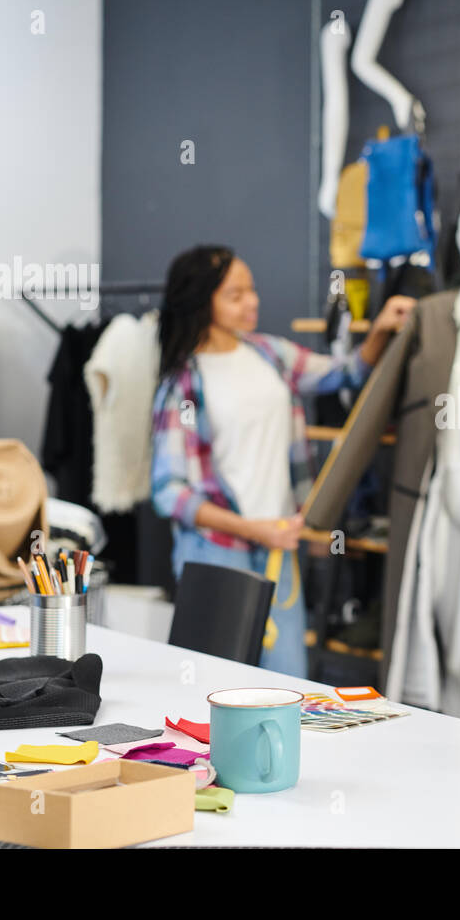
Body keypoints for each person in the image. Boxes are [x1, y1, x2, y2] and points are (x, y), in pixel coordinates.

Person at [151, 245, 413, 677]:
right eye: (235, 295)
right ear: (202, 300)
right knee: (218, 686)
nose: (251, 301)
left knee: (287, 683)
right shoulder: (182, 386)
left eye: (251, 290)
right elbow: (169, 493)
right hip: (217, 551)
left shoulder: (269, 354)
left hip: (279, 545)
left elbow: (345, 371)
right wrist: (251, 529)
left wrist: (381, 329)